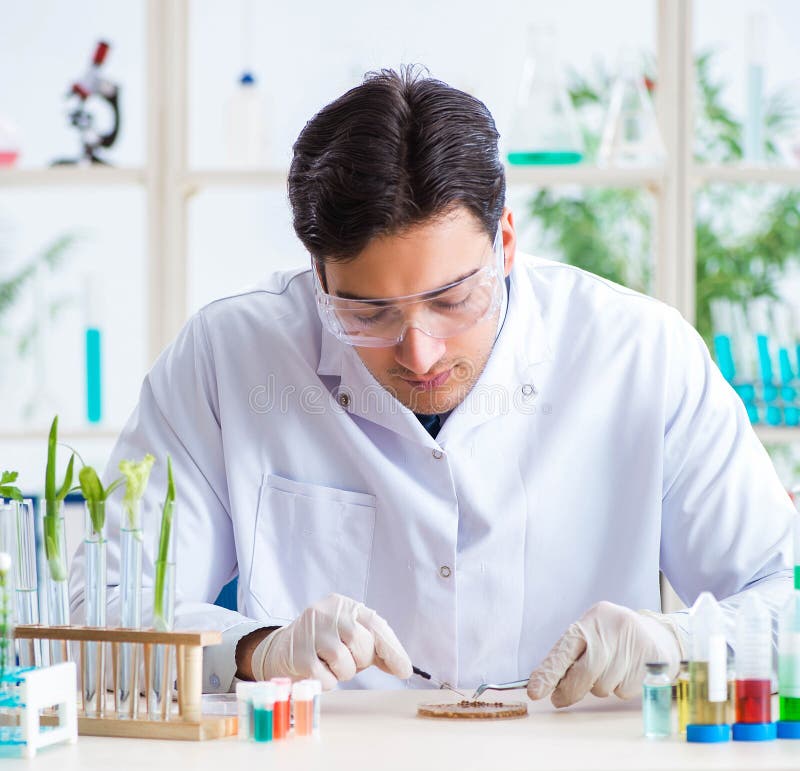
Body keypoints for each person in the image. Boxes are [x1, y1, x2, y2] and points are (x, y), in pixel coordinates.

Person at [69, 67, 794, 707]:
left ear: (506, 241)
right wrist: (253, 648)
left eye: (452, 300)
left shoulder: (642, 355)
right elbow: (90, 617)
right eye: (366, 312)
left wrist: (678, 640)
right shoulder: (229, 359)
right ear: (316, 276)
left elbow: (782, 598)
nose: (419, 352)